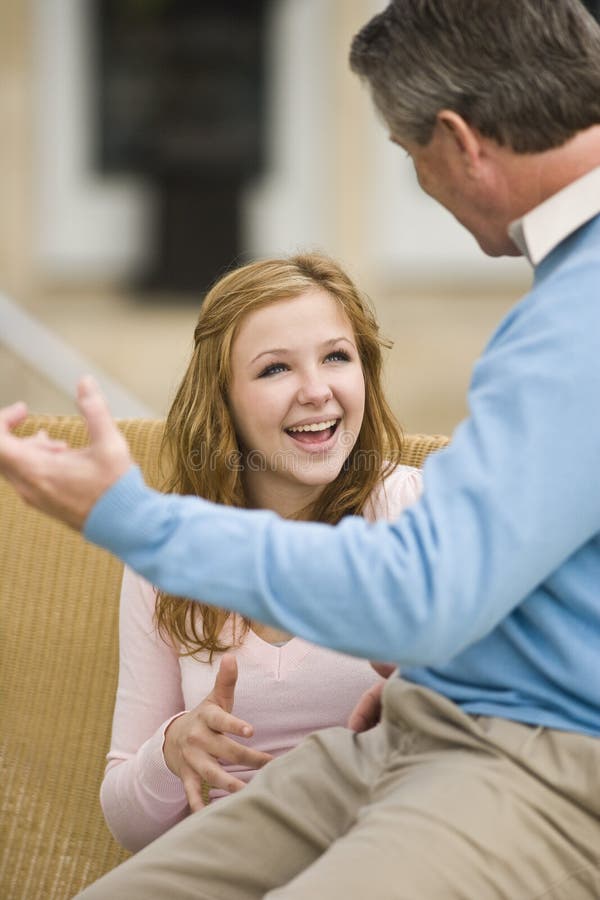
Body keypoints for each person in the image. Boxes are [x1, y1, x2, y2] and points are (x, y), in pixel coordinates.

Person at [1, 0, 600, 896]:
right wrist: (446, 677)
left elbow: (422, 593)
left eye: (409, 155)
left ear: (459, 141)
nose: (422, 187)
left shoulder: (575, 315)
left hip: (532, 755)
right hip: (427, 725)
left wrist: (132, 519)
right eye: (275, 369)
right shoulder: (561, 297)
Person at [100, 253, 421, 852]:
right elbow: (128, 825)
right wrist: (173, 751)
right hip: (221, 861)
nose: (317, 391)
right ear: (222, 400)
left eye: (336, 357)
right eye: (275, 368)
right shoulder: (166, 553)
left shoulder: (412, 513)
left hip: (375, 850)